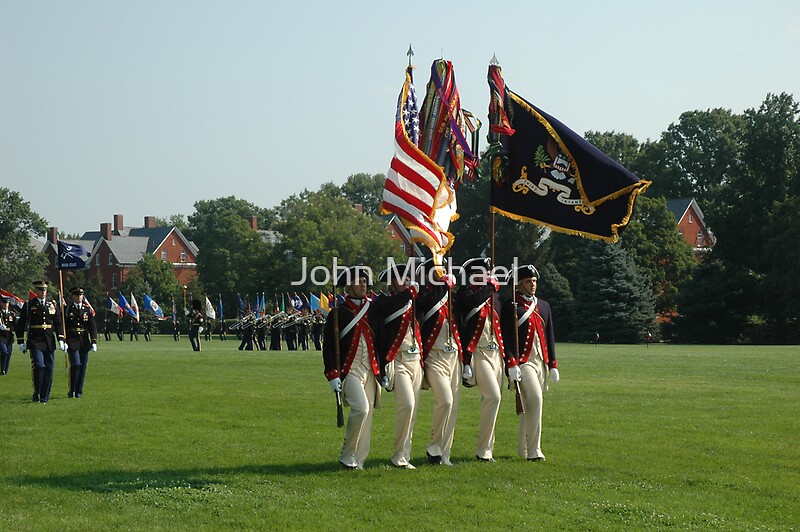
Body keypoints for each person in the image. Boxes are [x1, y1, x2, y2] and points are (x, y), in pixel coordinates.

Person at [323, 265, 383, 470]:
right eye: (359, 281)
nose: (363, 283)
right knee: (361, 408)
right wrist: (332, 375)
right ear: (349, 286)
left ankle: (359, 460)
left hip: (370, 369)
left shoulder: (374, 309)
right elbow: (329, 347)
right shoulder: (338, 313)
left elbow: (382, 340)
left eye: (365, 280)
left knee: (368, 418)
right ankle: (346, 454)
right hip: (350, 370)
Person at [500, 264, 560, 462]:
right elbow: (507, 337)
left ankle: (523, 449)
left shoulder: (543, 306)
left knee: (530, 406)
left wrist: (553, 364)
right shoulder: (510, 305)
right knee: (535, 399)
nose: (533, 284)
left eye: (534, 281)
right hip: (523, 362)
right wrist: (511, 363)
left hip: (540, 361)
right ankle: (535, 450)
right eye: (528, 281)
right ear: (518, 284)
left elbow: (549, 334)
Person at [457, 257, 505, 462]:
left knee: (495, 400)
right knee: (493, 396)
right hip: (477, 352)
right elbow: (473, 303)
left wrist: (510, 362)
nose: (484, 276)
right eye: (480, 273)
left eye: (486, 272)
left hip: (497, 354)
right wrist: (490, 287)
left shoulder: (494, 297)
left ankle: (486, 448)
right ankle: (483, 450)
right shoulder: (464, 293)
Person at [374, 264, 422, 469]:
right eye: (401, 279)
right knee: (407, 405)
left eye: (407, 278)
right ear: (392, 282)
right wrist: (410, 293)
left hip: (416, 358)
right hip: (398, 359)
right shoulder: (385, 301)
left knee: (413, 410)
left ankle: (404, 454)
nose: (406, 281)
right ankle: (398, 455)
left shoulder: (412, 301)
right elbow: (393, 307)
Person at [416, 258, 462, 466]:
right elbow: (427, 304)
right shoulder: (425, 293)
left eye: (443, 269)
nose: (442, 272)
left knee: (453, 407)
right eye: (437, 269)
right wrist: (444, 286)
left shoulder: (450, 293)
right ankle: (434, 447)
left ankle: (444, 452)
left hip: (454, 355)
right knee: (445, 400)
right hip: (433, 354)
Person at [15, 280, 64, 403]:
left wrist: (61, 339)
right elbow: (21, 324)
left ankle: (44, 396)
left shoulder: (52, 304)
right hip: (35, 340)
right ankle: (37, 392)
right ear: (36, 291)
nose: (43, 292)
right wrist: (20, 341)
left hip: (48, 340)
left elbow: (58, 323)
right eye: (41, 290)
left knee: (49, 368)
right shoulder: (29, 305)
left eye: (45, 290)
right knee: (39, 366)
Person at [64, 287, 98, 398]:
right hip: (72, 340)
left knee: (82, 367)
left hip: (84, 341)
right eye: (77, 295)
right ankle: (72, 390)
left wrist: (93, 341)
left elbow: (92, 326)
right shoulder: (67, 309)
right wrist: (63, 340)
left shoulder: (86, 310)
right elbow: (63, 326)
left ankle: (78, 391)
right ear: (72, 296)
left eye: (81, 295)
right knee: (76, 364)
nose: (79, 297)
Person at [0, 296, 18, 375]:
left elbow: (15, 326)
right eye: (4, 303)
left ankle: (5, 370)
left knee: (9, 353)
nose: (6, 304)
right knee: (4, 352)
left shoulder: (12, 314)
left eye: (7, 303)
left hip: (9, 337)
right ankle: (2, 369)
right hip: (1, 337)